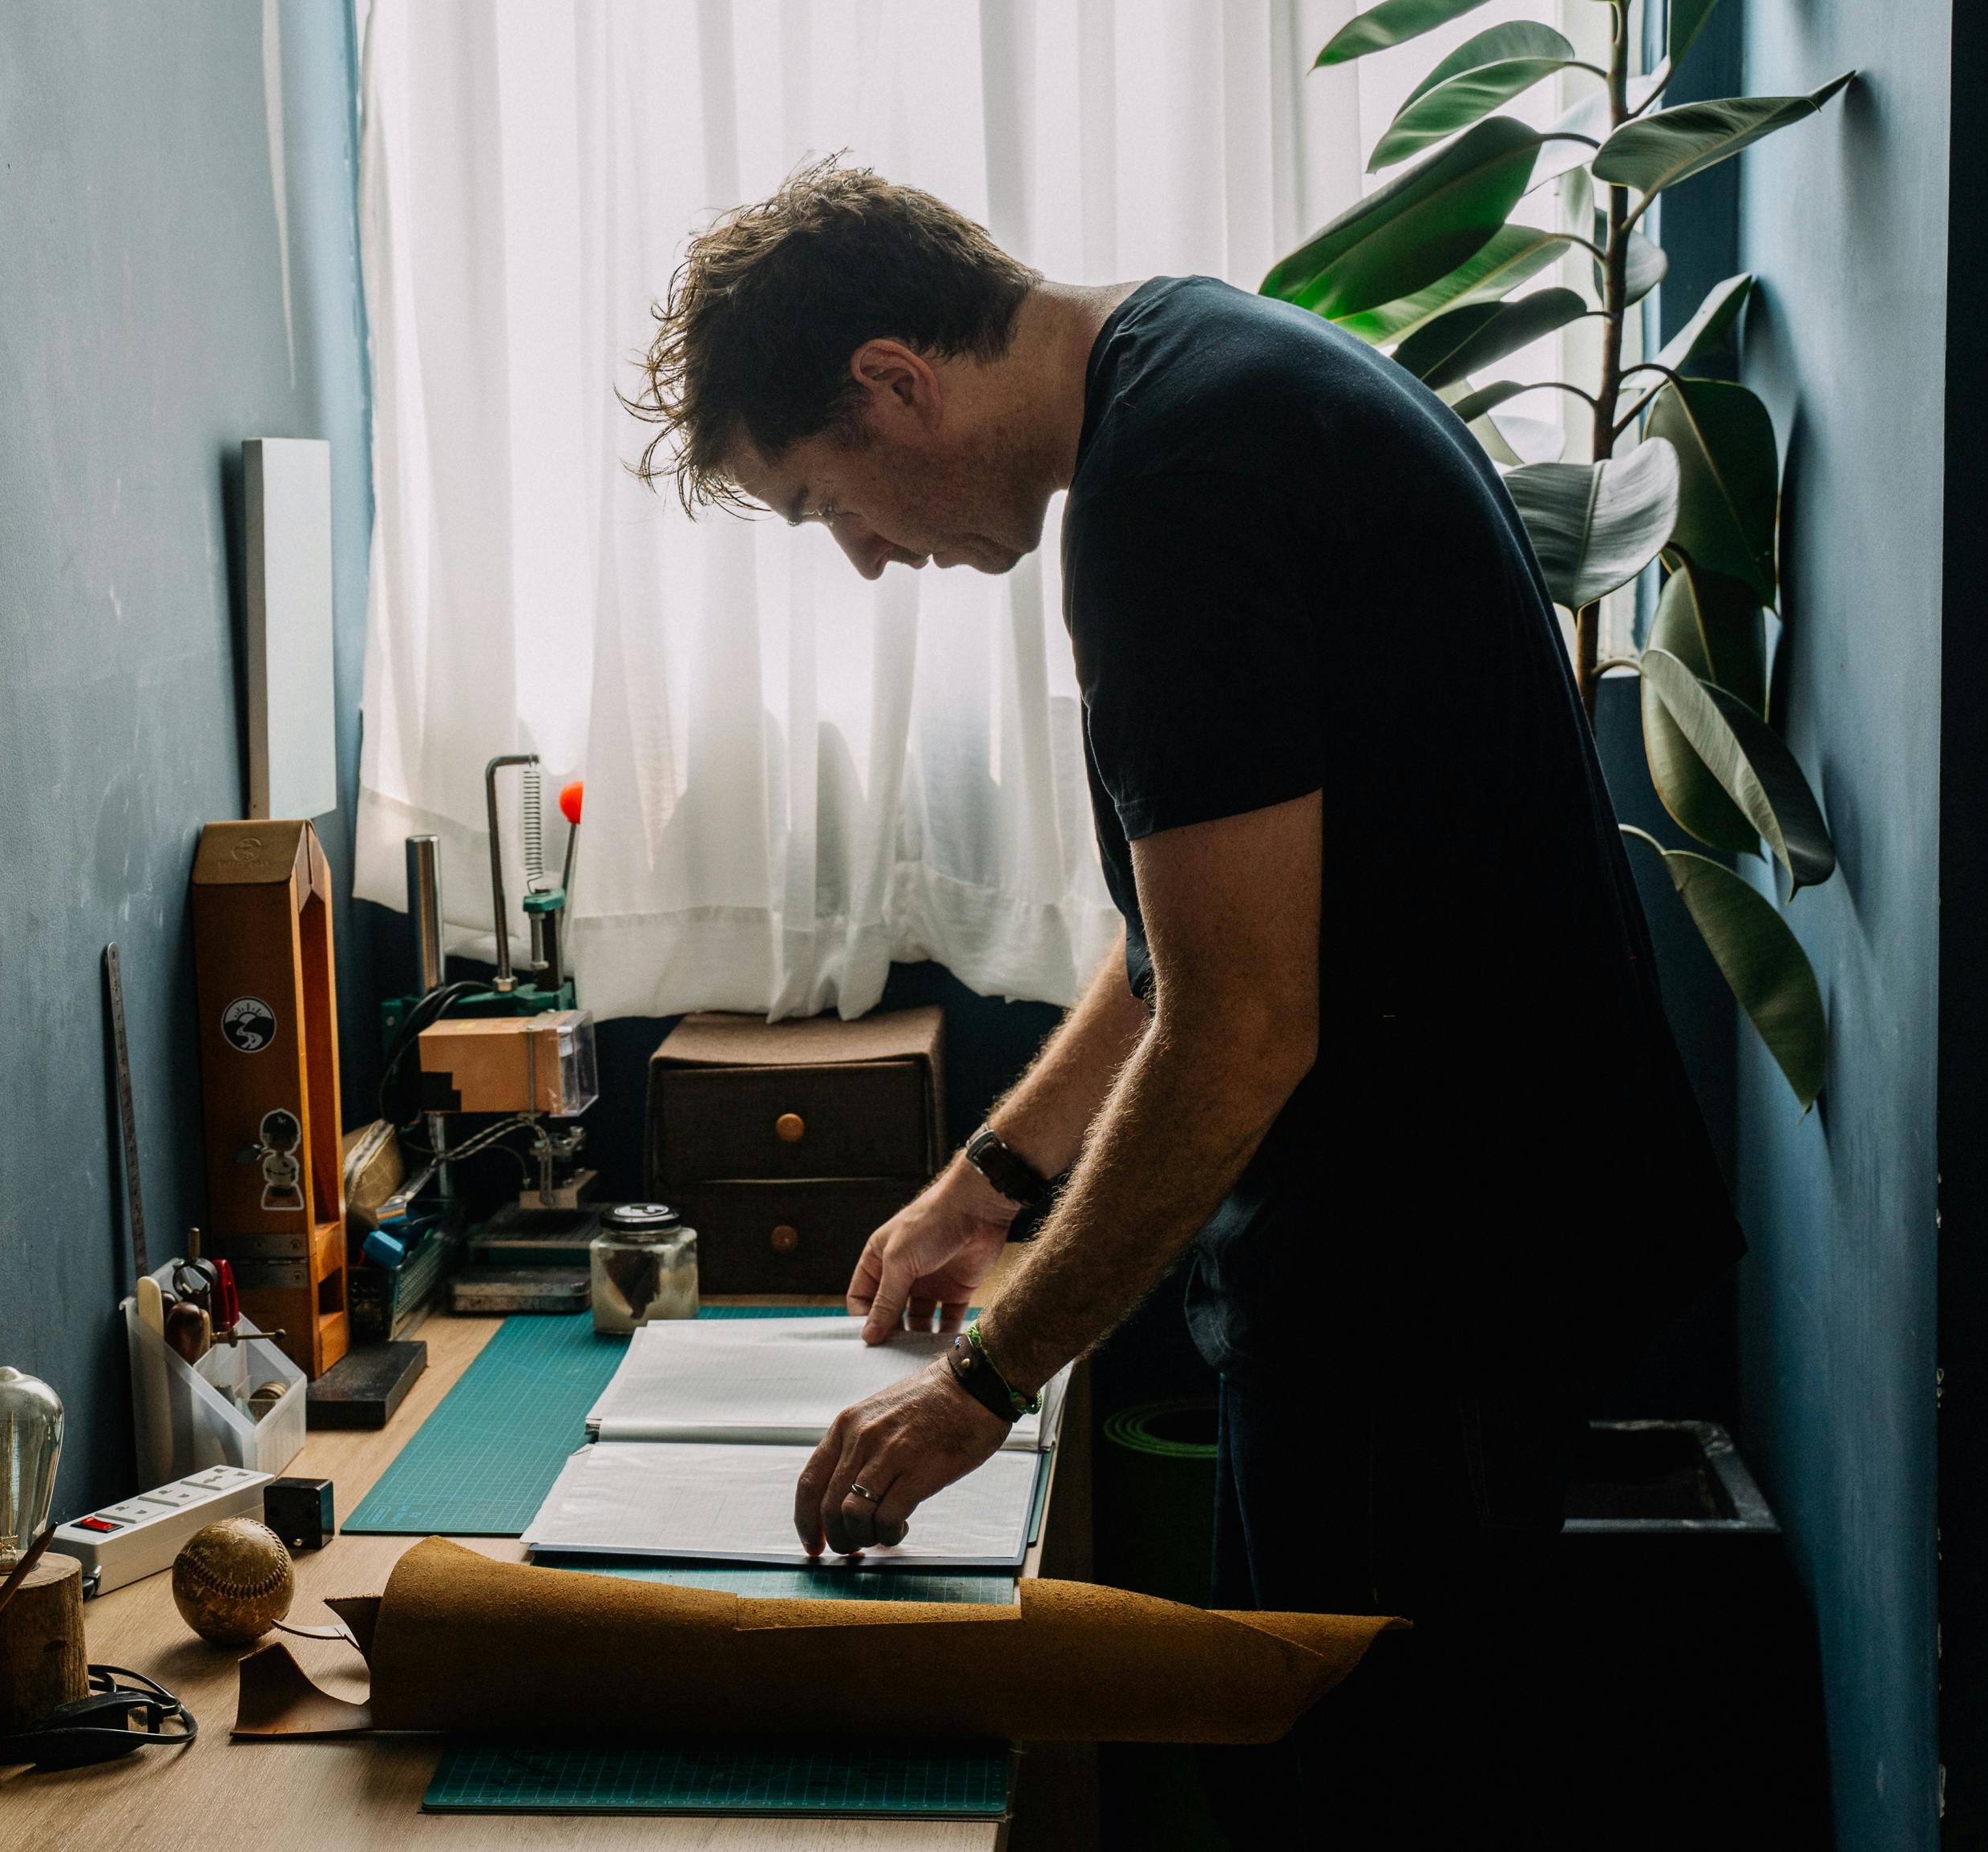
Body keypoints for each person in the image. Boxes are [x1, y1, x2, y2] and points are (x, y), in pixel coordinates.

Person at [624, 160, 1737, 1846]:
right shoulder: (1207, 370)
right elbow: (1186, 951)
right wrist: (985, 1179)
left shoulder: (1179, 498)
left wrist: (976, 1386)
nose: (860, 560)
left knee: (1362, 1788)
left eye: (820, 502)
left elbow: (1239, 1027)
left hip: (1426, 1278)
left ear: (891, 381)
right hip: (1467, 1245)